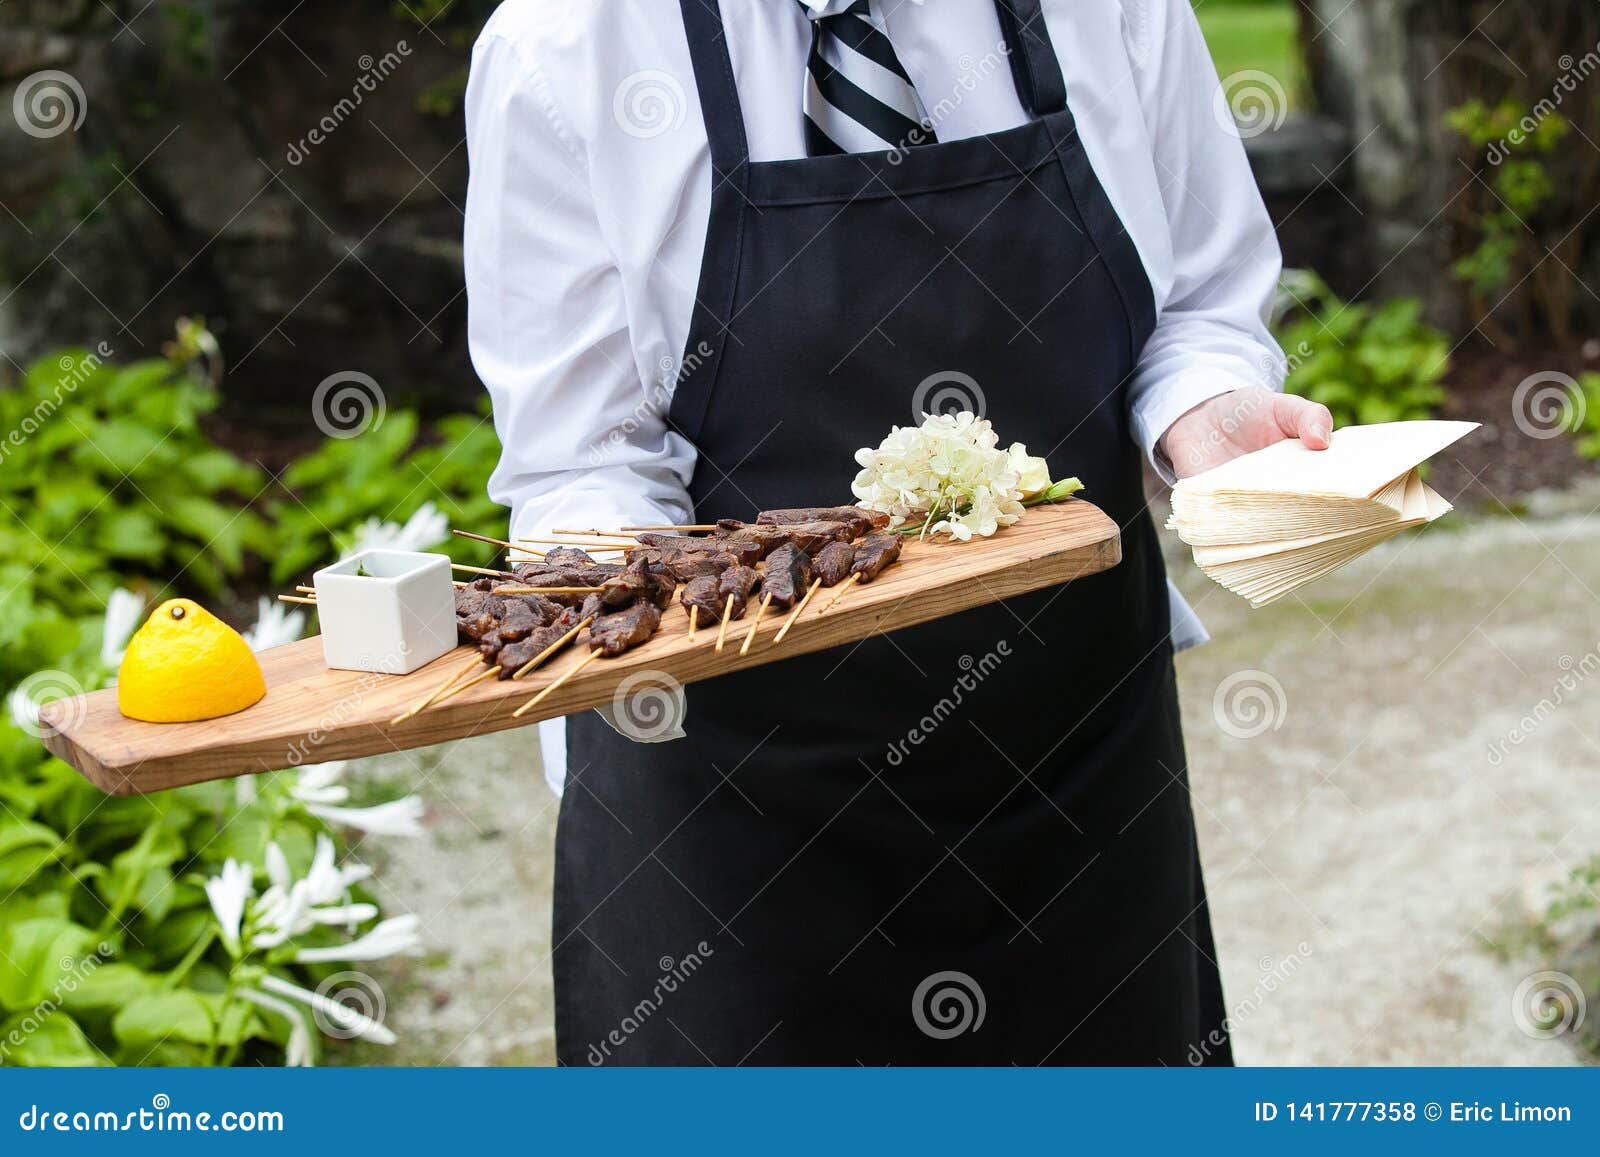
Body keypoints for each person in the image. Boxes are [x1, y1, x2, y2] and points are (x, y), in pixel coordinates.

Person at [463, 0, 1332, 1065]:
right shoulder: (567, 43)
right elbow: (580, 458)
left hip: (1070, 765)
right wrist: (619, 631)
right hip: (729, 802)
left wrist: (1207, 413)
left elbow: (1198, 305)